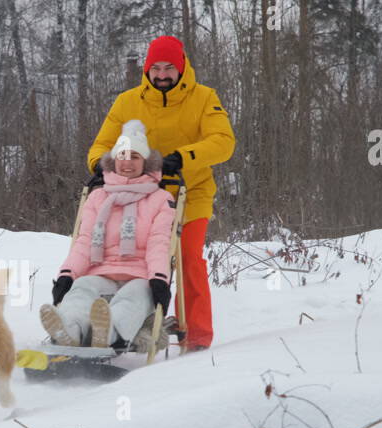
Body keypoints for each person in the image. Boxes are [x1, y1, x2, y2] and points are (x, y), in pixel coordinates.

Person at [87, 35, 235, 352]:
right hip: (138, 198)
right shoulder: (128, 102)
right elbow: (101, 145)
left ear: (181, 67)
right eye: (156, 68)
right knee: (130, 259)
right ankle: (120, 323)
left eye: (169, 67)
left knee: (187, 258)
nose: (163, 74)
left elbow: (223, 141)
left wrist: (184, 157)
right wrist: (100, 165)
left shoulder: (205, 98)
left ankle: (195, 334)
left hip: (189, 194)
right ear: (147, 69)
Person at [39, 120, 176, 352]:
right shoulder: (98, 197)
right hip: (100, 270)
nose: (127, 162)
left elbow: (159, 244)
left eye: (134, 156)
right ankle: (69, 330)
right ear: (114, 160)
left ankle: (108, 332)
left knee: (132, 298)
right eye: (122, 155)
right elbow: (84, 241)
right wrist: (66, 275)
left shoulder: (160, 199)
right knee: (81, 288)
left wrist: (159, 279)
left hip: (140, 275)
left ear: (145, 162)